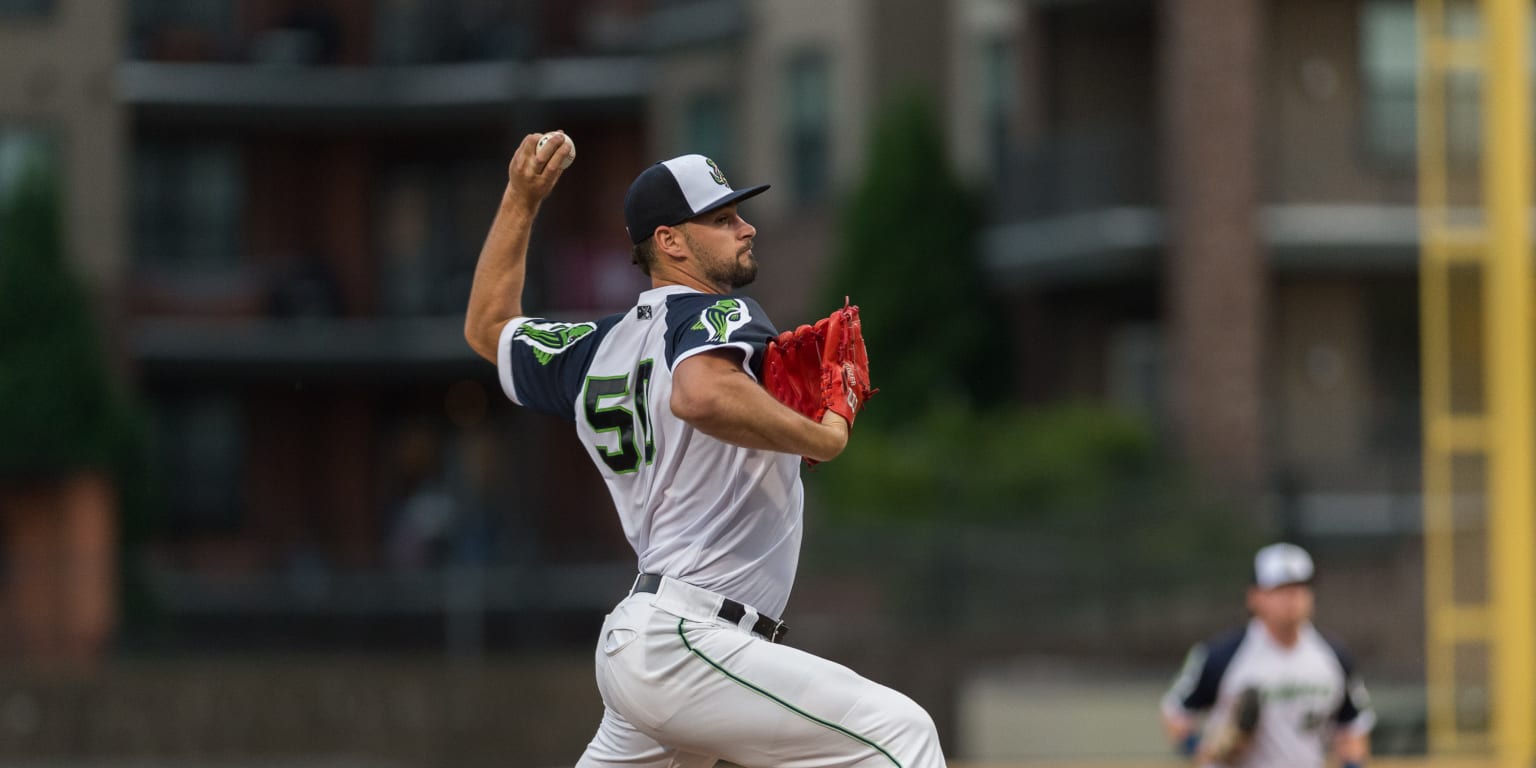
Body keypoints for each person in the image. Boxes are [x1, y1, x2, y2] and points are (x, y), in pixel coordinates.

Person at [464, 132, 946, 768]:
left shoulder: (592, 348)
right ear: (669, 241)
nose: (746, 229)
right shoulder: (717, 316)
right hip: (689, 640)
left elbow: (488, 327)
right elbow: (700, 395)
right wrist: (824, 437)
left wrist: (522, 197)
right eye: (721, 219)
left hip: (654, 648)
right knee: (901, 735)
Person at [1160, 542, 1375, 768]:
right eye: (1280, 589)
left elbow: (1352, 727)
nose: (1292, 597)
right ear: (1254, 597)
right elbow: (1175, 713)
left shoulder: (1335, 656)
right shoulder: (1221, 655)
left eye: (1300, 587)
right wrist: (1203, 750)